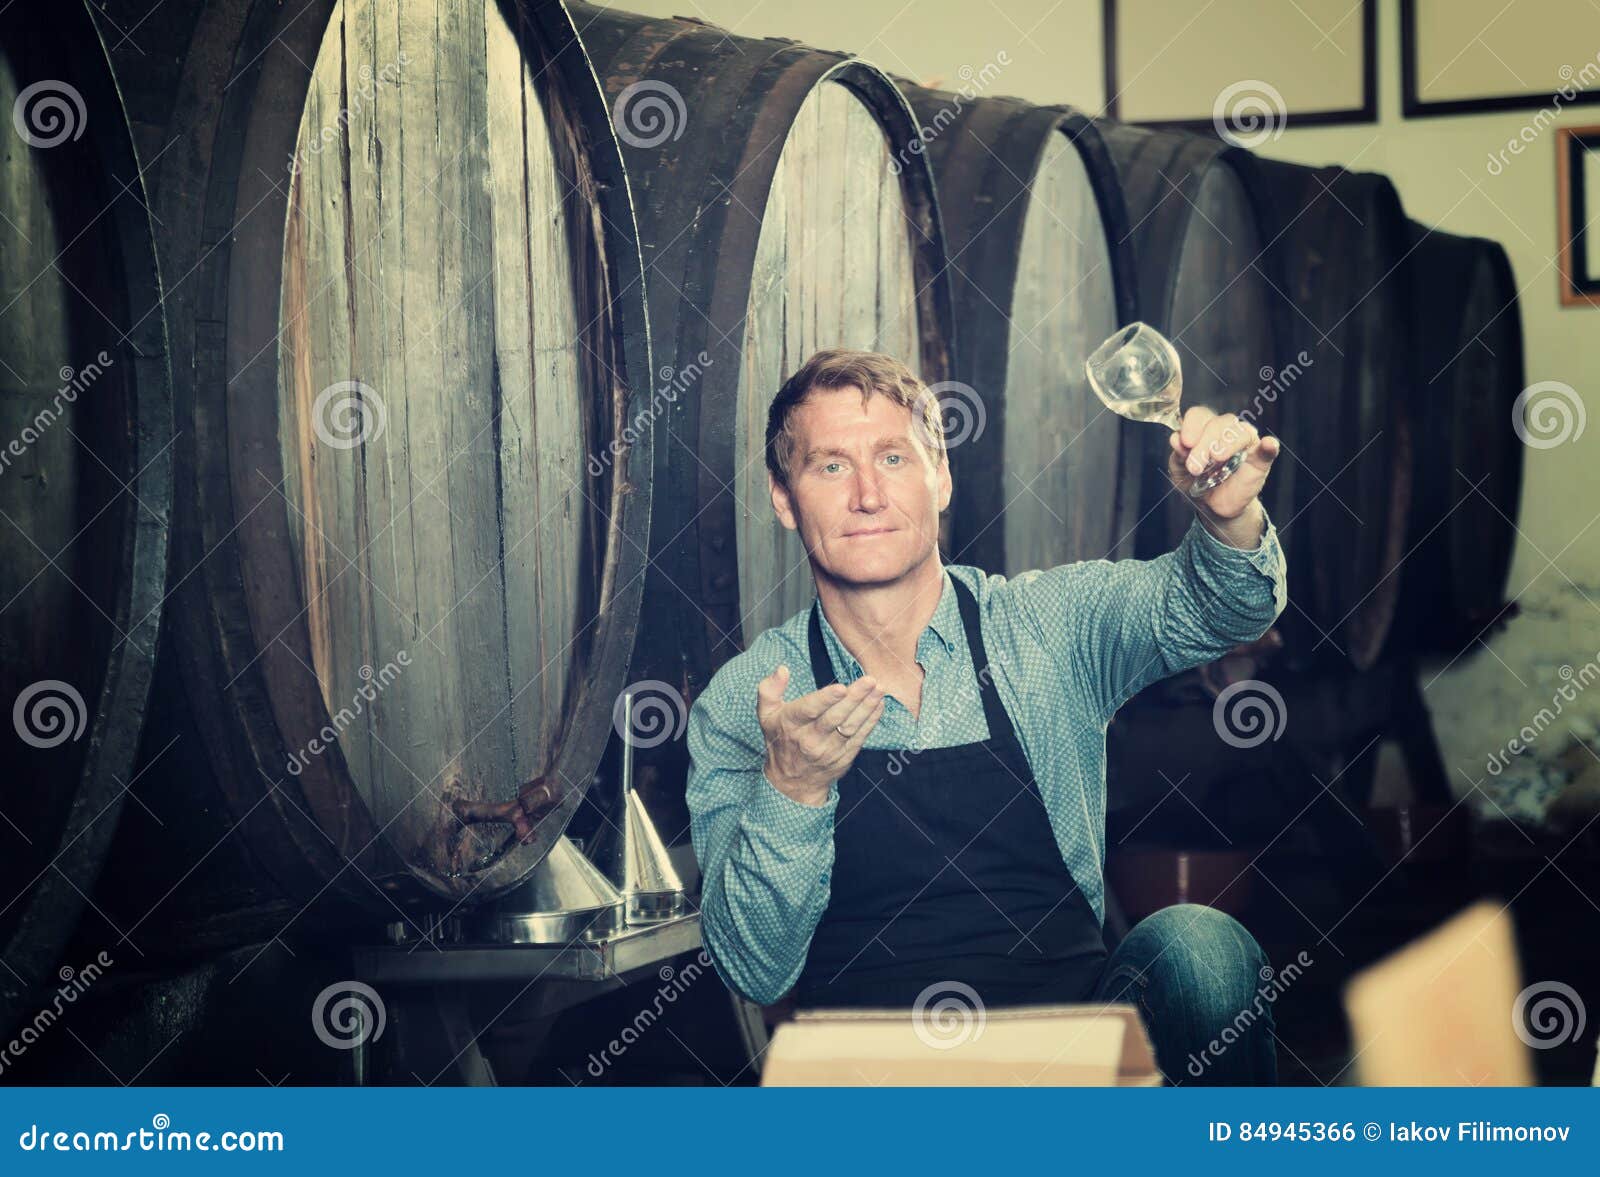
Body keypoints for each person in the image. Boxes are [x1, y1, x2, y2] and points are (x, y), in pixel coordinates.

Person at [684, 348, 1287, 1084]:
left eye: (894, 457)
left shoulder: (1046, 626)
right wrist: (794, 789)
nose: (868, 493)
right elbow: (754, 966)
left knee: (1201, 949)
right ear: (784, 498)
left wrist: (1228, 519)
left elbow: (1226, 605)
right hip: (874, 1095)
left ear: (940, 476)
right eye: (831, 466)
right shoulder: (746, 700)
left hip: (1077, 1067)